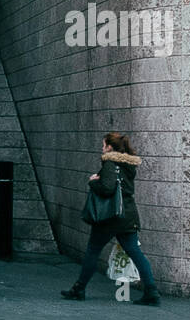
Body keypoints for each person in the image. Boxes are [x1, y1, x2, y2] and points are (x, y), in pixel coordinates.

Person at [61, 131, 161, 305]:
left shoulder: (110, 163)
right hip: (128, 216)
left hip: (110, 217)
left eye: (103, 145)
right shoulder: (129, 165)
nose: (102, 149)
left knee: (93, 250)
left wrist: (93, 181)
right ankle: (151, 292)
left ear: (110, 147)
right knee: (136, 253)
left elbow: (107, 188)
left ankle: (79, 288)